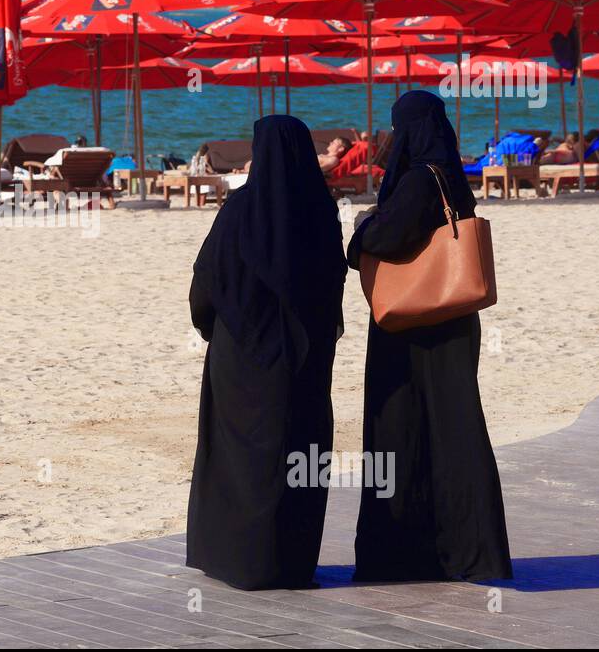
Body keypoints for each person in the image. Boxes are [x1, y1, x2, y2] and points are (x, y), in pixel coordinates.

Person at [345, 90, 512, 582]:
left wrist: (361, 229)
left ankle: (406, 552)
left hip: (412, 325)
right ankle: (471, 549)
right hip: (453, 319)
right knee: (455, 426)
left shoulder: (419, 181)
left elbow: (383, 241)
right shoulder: (450, 176)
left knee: (403, 430)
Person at [186, 116, 348, 590]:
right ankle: (291, 561)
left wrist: (210, 327)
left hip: (242, 356)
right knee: (301, 452)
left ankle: (239, 560)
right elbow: (333, 284)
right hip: (306, 358)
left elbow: (208, 281)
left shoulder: (239, 212)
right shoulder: (319, 211)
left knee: (242, 456)